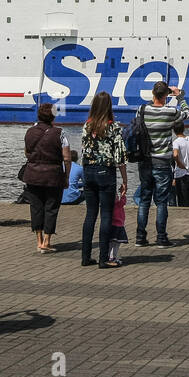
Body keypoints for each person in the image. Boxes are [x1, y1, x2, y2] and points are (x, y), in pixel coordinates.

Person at [136, 81, 189, 248]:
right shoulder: (171, 112)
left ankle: (140, 237)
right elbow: (187, 114)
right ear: (166, 95)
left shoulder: (142, 109)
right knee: (161, 201)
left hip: (145, 160)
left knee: (144, 199)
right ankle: (161, 238)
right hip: (162, 162)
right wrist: (180, 97)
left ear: (153, 94)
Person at [80, 91, 128, 269]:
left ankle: (85, 257)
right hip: (105, 173)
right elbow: (120, 156)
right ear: (109, 106)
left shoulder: (87, 126)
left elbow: (84, 150)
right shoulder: (113, 127)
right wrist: (125, 180)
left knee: (90, 214)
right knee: (106, 215)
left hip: (88, 171)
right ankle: (103, 258)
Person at [23, 102, 69, 254]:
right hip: (53, 176)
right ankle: (47, 241)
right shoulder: (60, 133)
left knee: (36, 207)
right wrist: (66, 176)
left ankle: (38, 240)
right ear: (53, 116)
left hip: (32, 175)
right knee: (51, 208)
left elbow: (26, 152)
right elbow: (67, 158)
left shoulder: (29, 131)